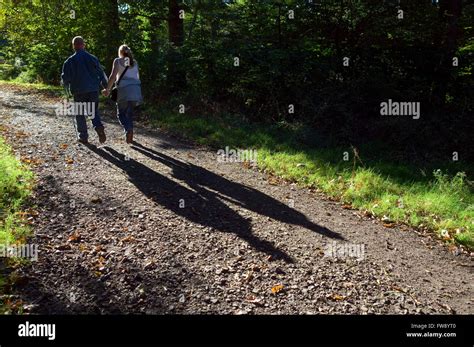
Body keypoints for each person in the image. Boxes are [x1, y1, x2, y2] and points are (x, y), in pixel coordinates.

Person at [61, 36, 108, 144]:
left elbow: (65, 79)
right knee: (93, 111)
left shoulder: (69, 61)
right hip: (93, 90)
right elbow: (101, 73)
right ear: (83, 45)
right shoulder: (93, 58)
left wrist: (66, 93)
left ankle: (83, 136)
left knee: (80, 113)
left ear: (74, 46)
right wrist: (106, 87)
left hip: (78, 91)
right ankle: (98, 127)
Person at [102, 44, 142, 144]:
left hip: (124, 90)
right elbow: (137, 77)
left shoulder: (118, 61)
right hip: (136, 90)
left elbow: (112, 76)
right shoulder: (135, 63)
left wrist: (107, 89)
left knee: (121, 114)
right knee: (129, 113)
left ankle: (128, 130)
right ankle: (130, 132)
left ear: (120, 52)